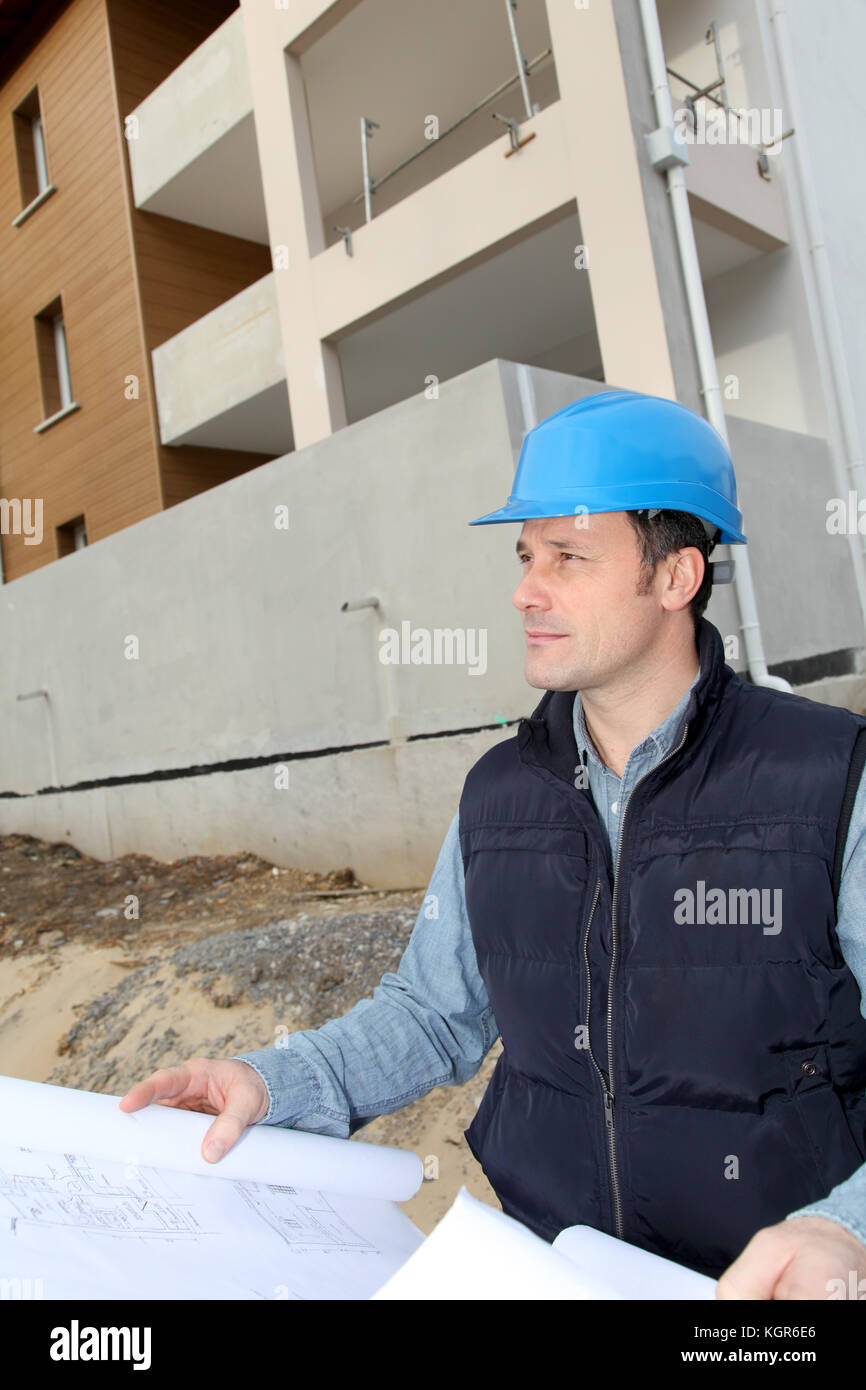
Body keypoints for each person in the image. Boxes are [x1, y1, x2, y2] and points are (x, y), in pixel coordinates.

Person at [121, 390, 866, 1299]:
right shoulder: (501, 794)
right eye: (524, 555)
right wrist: (272, 1083)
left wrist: (844, 1231)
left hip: (774, 1296)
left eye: (568, 557)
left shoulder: (830, 779)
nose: (525, 589)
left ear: (677, 577)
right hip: (558, 1271)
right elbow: (435, 1012)